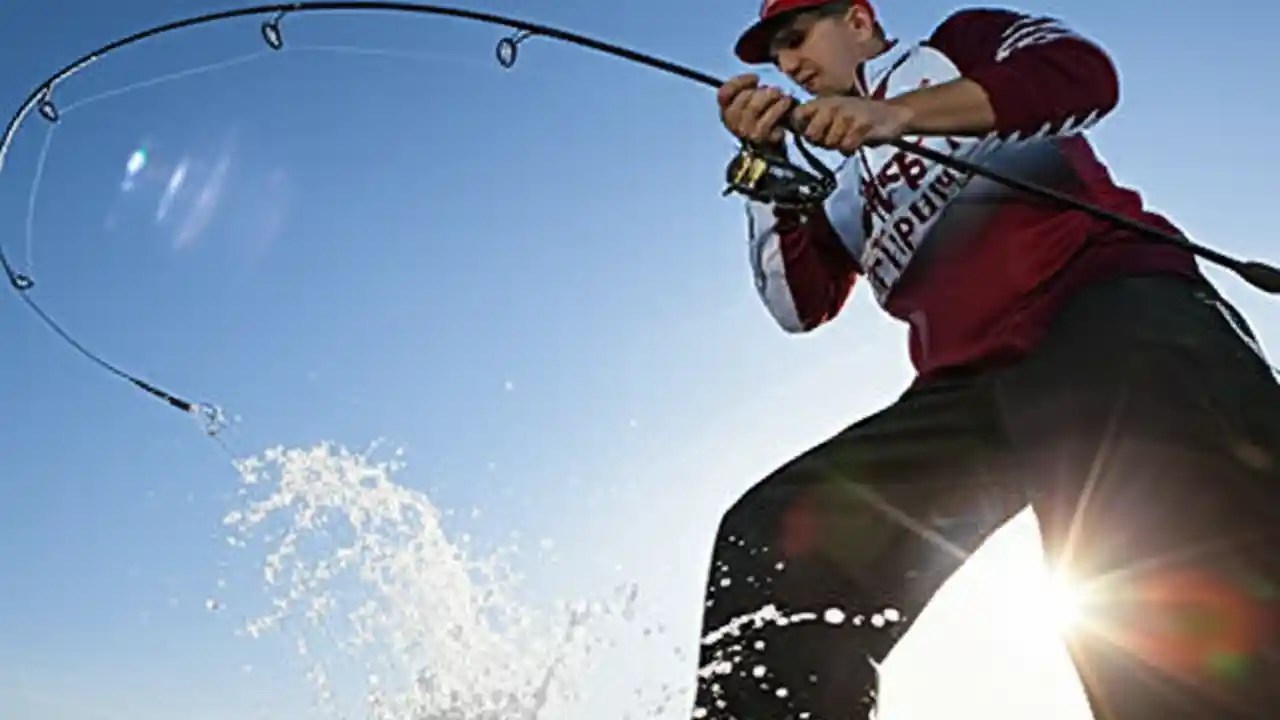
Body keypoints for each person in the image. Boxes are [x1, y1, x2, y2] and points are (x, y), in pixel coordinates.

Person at [695, 1, 1280, 718]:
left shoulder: (957, 46)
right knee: (773, 537)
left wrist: (898, 115)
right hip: (969, 387)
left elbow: (1082, 75)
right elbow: (800, 305)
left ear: (858, 20)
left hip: (1102, 308)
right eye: (776, 57)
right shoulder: (840, 186)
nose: (789, 65)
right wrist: (766, 170)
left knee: (1148, 584)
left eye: (796, 38)